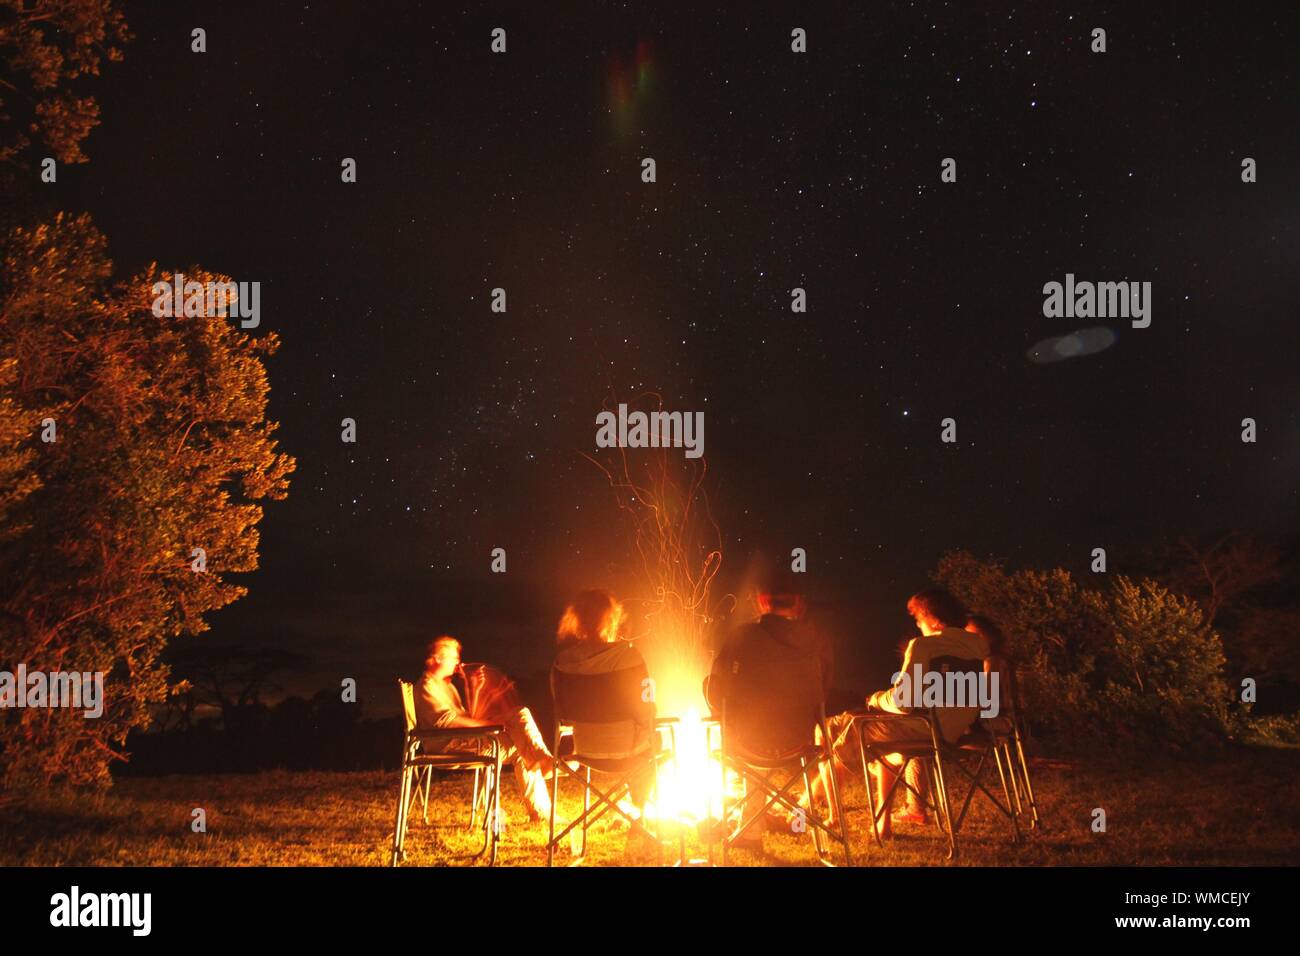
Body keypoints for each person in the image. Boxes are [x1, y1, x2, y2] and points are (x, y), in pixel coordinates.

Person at [820, 587, 990, 839]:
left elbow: (903, 702)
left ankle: (832, 816)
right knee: (885, 754)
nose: (919, 625)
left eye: (919, 619)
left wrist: (875, 699)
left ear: (932, 618)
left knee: (832, 727)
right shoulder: (979, 644)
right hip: (950, 734)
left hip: (921, 729)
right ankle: (882, 823)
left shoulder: (923, 645)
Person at [704, 570, 831, 845]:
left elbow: (717, 690)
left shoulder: (744, 637)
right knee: (756, 731)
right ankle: (755, 822)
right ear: (798, 602)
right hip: (800, 741)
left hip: (749, 741)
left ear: (762, 601)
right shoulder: (815, 641)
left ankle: (750, 828)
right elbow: (823, 693)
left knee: (747, 733)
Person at [414, 635, 555, 823]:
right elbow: (448, 721)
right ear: (438, 658)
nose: (457, 661)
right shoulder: (427, 686)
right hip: (448, 746)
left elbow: (471, 718)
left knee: (521, 724)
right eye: (453, 656)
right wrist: (488, 725)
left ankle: (542, 786)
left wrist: (475, 688)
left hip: (460, 740)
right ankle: (544, 763)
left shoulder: (446, 687)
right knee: (521, 738)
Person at [551, 589, 657, 811]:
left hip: (584, 749)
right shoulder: (629, 655)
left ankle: (639, 809)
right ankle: (643, 810)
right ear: (611, 620)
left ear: (577, 621)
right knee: (657, 737)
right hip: (629, 748)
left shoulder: (562, 662)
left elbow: (561, 712)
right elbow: (647, 704)